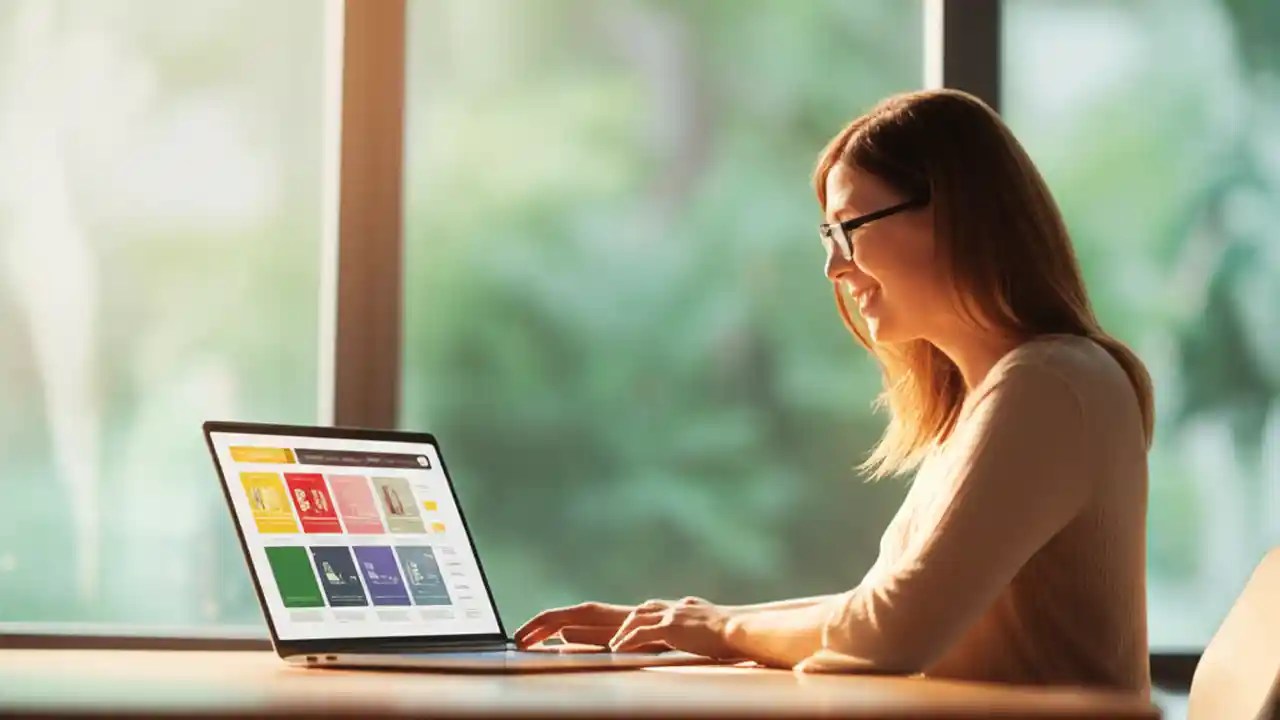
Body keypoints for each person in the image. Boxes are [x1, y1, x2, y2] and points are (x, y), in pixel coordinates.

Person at [514, 89, 1154, 694]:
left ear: (955, 215)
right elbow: (873, 609)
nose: (834, 267)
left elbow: (888, 633)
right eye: (829, 236)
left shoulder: (1049, 385)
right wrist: (690, 622)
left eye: (851, 226)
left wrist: (715, 629)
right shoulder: (993, 400)